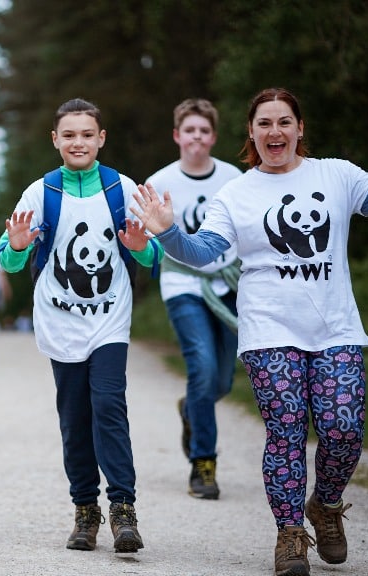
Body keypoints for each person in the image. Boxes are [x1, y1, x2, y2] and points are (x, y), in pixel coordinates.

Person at [128, 87, 368, 576]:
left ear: (299, 128)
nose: (275, 132)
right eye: (264, 123)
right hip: (268, 329)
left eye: (284, 122)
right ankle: (289, 535)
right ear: (251, 132)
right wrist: (167, 232)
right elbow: (203, 253)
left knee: (342, 429)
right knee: (285, 431)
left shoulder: (336, 175)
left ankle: (325, 506)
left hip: (335, 327)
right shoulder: (238, 192)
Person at [0, 98, 161, 556]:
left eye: (87, 134)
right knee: (75, 419)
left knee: (109, 404)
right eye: (69, 134)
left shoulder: (121, 189)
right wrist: (17, 246)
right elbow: (8, 261)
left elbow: (154, 256)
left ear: (101, 138)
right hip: (59, 322)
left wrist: (141, 247)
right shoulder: (41, 193)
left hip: (110, 320)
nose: (78, 142)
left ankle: (123, 509)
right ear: (55, 140)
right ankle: (85, 510)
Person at [145, 98, 243, 500]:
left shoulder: (234, 178)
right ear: (177, 136)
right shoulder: (159, 181)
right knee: (201, 366)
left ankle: (192, 409)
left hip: (228, 283)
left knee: (221, 379)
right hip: (183, 284)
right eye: (190, 130)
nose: (197, 137)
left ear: (213, 137)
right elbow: (147, 237)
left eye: (204, 131)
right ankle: (204, 464)